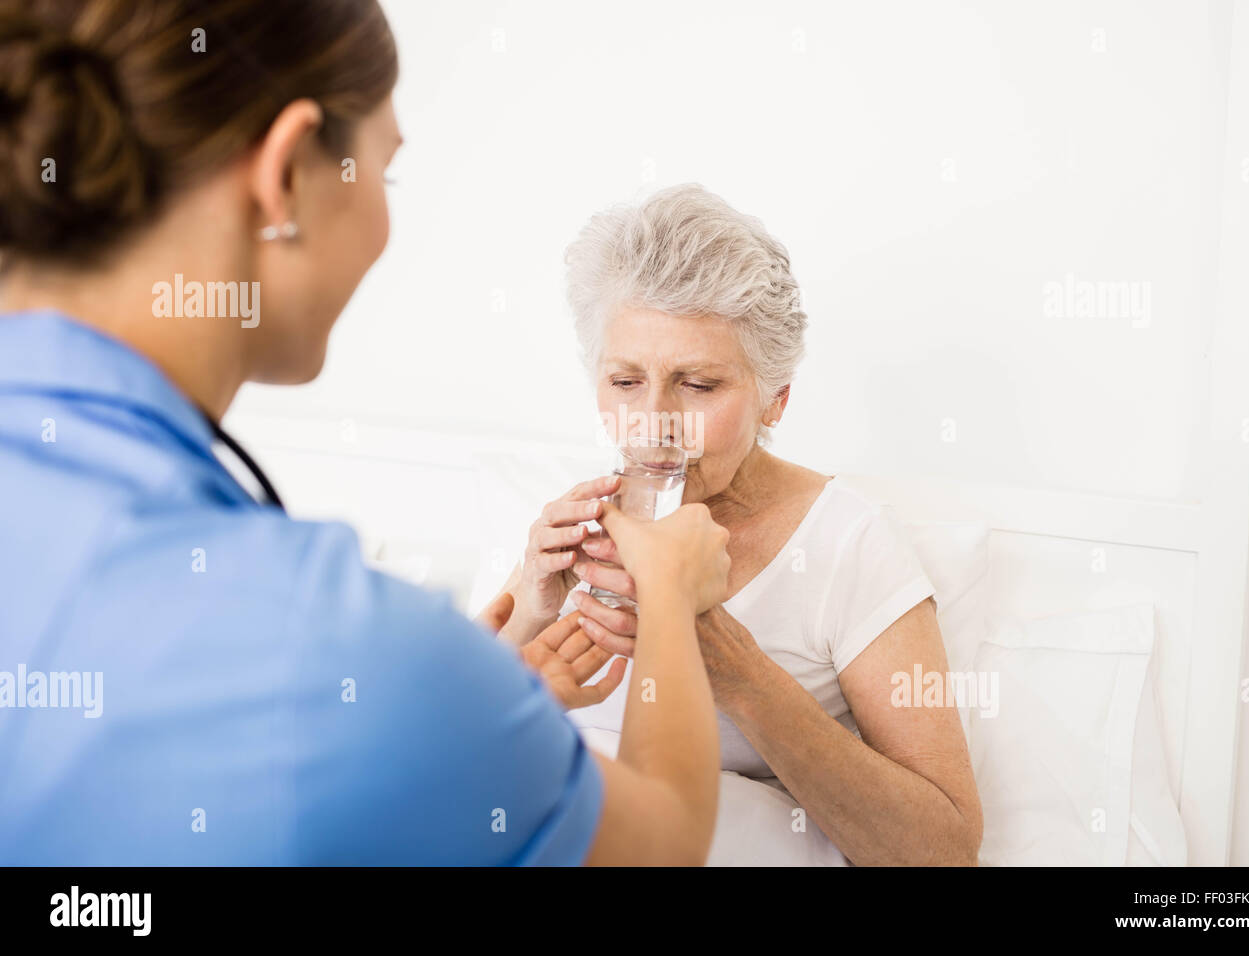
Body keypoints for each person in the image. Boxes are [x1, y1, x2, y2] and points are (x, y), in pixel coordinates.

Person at [0, 0, 730, 866]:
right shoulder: (331, 643)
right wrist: (674, 593)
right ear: (286, 176)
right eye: (384, 174)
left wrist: (457, 724)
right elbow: (664, 838)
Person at [491, 184, 983, 865]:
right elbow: (448, 755)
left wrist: (737, 674)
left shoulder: (848, 546)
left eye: (698, 385)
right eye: (626, 381)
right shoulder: (577, 530)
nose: (653, 421)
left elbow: (944, 850)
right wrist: (527, 615)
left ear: (775, 399)